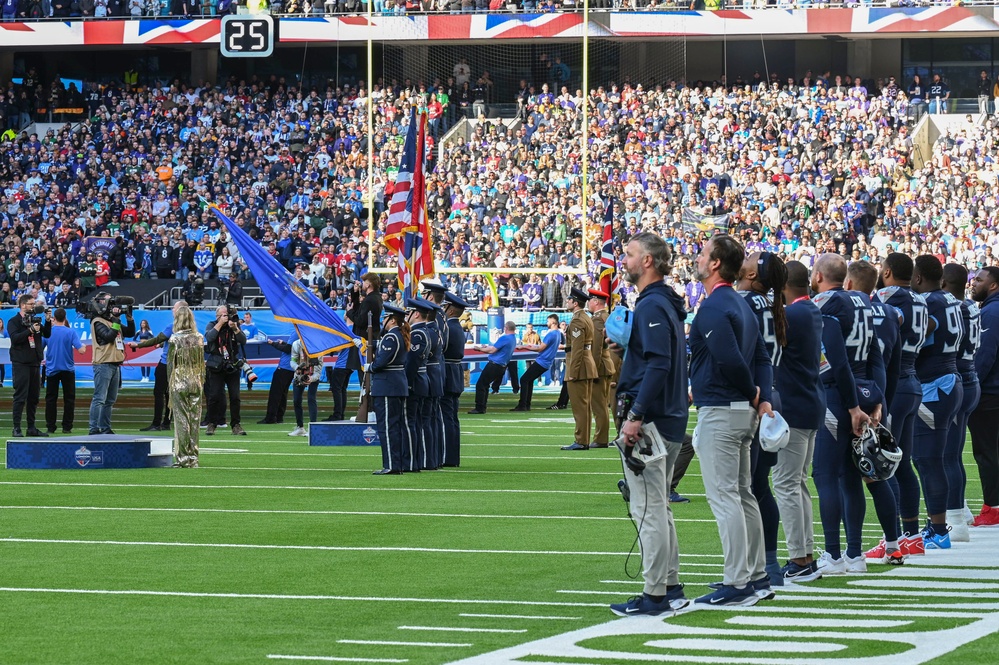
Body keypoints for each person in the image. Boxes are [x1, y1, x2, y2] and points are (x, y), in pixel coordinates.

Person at [607, 233, 691, 617]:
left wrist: (636, 414)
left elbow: (658, 363)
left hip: (654, 419)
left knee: (647, 508)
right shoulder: (665, 303)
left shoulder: (653, 304)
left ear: (649, 262)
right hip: (668, 414)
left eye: (629, 255)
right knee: (658, 506)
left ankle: (655, 592)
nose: (623, 260)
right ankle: (670, 584)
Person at [688, 235, 773, 607]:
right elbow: (762, 357)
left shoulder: (713, 307)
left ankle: (738, 581)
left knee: (725, 497)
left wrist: (753, 392)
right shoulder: (742, 307)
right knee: (743, 494)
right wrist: (761, 396)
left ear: (717, 263)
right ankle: (755, 576)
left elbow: (729, 358)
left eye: (703, 253)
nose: (698, 258)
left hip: (722, 408)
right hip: (742, 410)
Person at [811, 253, 883, 574]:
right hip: (864, 392)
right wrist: (875, 401)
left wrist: (853, 405)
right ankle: (855, 554)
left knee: (825, 474)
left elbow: (837, 361)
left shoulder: (826, 304)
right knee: (851, 476)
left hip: (838, 397)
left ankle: (834, 555)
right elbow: (876, 357)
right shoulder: (865, 303)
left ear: (818, 276)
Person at [844, 260, 905, 565]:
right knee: (876, 474)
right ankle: (894, 545)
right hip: (876, 397)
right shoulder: (891, 313)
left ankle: (851, 552)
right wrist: (881, 404)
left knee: (844, 477)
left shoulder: (840, 308)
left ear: (849, 283)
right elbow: (886, 366)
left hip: (846, 398)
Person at [736, 250, 789, 585]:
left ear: (754, 275)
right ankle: (768, 564)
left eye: (751, 259)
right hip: (773, 395)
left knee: (742, 488)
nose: (745, 257)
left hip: (750, 398)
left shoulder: (741, 302)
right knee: (760, 486)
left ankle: (749, 570)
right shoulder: (772, 306)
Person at [773, 261, 824, 582]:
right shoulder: (812, 310)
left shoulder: (793, 314)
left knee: (786, 484)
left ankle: (800, 559)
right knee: (797, 483)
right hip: (810, 402)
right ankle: (804, 554)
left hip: (793, 405)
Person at [875, 252, 929, 554]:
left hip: (896, 382)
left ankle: (893, 538)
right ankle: (910, 535)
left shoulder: (891, 299)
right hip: (913, 380)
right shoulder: (919, 299)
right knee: (902, 463)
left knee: (888, 465)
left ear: (887, 272)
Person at [911, 255, 965, 549]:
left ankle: (939, 530)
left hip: (935, 385)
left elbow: (919, 335)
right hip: (950, 379)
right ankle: (939, 525)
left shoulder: (929, 303)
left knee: (928, 460)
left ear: (918, 278)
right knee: (936, 459)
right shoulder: (949, 300)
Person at [942, 262, 980, 542]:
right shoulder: (969, 307)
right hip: (969, 377)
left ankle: (955, 517)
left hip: (955, 379)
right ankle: (962, 509)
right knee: (952, 454)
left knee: (945, 456)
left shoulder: (950, 307)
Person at [970, 266, 999, 526]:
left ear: (993, 286)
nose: (973, 283)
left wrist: (973, 385)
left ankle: (993, 506)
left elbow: (985, 355)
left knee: (986, 451)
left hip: (990, 393)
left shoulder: (991, 311)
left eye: (979, 279)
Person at [130, 301, 186, 432]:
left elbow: (157, 339)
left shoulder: (172, 326)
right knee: (171, 394)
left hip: (166, 364)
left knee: (159, 393)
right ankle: (166, 422)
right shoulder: (188, 328)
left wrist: (138, 345)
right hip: (179, 365)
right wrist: (162, 344)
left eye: (174, 308)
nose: (172, 310)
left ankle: (156, 423)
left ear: (179, 311)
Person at [88, 292, 136, 436]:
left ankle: (105, 427)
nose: (112, 305)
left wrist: (129, 318)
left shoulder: (112, 321)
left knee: (110, 400)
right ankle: (94, 428)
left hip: (115, 364)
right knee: (99, 398)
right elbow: (108, 337)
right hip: (103, 363)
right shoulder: (97, 321)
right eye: (109, 301)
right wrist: (116, 320)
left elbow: (130, 332)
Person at [371, 302, 410, 475]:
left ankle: (392, 465)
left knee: (387, 427)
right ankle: (396, 463)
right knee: (394, 426)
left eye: (385, 317)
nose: (383, 320)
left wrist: (369, 367)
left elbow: (381, 363)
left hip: (388, 386)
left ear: (392, 320)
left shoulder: (391, 337)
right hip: (395, 384)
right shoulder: (398, 336)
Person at [561, 287, 598, 451]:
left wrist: (573, 372)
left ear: (575, 303)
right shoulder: (587, 317)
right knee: (585, 405)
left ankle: (581, 440)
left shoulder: (577, 320)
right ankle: (584, 439)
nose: (567, 301)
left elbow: (576, 349)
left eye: (569, 299)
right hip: (586, 362)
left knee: (580, 406)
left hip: (579, 366)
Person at [9, 294, 52, 437]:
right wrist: (30, 330)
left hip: (35, 362)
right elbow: (15, 339)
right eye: (31, 304)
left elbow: (47, 334)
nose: (34, 306)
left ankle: (31, 427)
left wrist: (47, 321)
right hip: (21, 363)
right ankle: (16, 428)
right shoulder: (14, 321)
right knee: (20, 396)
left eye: (34, 304)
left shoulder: (35, 319)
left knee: (33, 397)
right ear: (23, 305)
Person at [167, 304, 204, 468]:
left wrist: (170, 384)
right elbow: (201, 363)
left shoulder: (174, 339)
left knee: (181, 420)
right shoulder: (199, 338)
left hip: (179, 381)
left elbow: (170, 365)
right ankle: (193, 457)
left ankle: (183, 458)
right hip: (196, 382)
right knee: (195, 420)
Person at [204, 304, 247, 436]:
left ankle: (236, 425)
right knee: (214, 396)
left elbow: (243, 340)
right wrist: (220, 323)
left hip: (232, 364)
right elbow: (209, 337)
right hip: (216, 365)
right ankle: (212, 423)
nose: (226, 317)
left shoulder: (233, 325)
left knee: (235, 397)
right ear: (218, 316)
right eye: (223, 315)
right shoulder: (212, 324)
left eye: (227, 314)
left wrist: (235, 329)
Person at [421, 280, 449, 467]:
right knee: (433, 417)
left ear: (430, 297)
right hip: (437, 368)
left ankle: (430, 459)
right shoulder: (442, 315)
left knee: (429, 418)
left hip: (431, 369)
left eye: (425, 295)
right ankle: (435, 458)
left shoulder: (434, 316)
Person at [404, 297, 434, 471]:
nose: (407, 315)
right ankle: (417, 460)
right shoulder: (423, 331)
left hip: (416, 381)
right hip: (421, 380)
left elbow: (412, 361)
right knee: (415, 423)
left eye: (409, 313)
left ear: (416, 314)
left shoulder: (417, 333)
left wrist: (406, 383)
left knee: (411, 423)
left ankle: (414, 461)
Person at [44, 307, 84, 434]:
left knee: (50, 399)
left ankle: (50, 426)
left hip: (52, 369)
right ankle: (67, 426)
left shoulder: (48, 332)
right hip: (67, 369)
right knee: (69, 399)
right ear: (65, 318)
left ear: (54, 318)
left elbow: (39, 348)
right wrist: (84, 346)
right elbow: (81, 350)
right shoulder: (70, 332)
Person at [441, 291, 469, 467]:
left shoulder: (447, 328)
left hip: (447, 373)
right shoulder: (457, 327)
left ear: (450, 310)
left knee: (446, 418)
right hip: (455, 373)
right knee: (452, 418)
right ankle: (452, 457)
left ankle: (447, 457)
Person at [512, 314, 561, 412]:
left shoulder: (551, 334)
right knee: (528, 380)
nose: (547, 323)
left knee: (524, 380)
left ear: (552, 322)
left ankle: (523, 405)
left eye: (548, 321)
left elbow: (540, 348)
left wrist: (524, 347)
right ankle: (526, 405)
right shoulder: (558, 333)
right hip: (546, 362)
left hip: (542, 361)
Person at [587, 289, 616, 448]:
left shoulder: (598, 320)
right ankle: (601, 436)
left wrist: (594, 369)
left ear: (596, 302)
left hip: (600, 367)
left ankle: (600, 438)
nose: (589, 303)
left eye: (590, 300)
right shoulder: (606, 317)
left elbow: (596, 347)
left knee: (599, 405)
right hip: (606, 365)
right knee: (602, 404)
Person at [468, 321, 518, 415]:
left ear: (505, 328)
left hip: (495, 364)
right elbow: (496, 347)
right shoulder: (513, 339)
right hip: (502, 365)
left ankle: (479, 407)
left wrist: (479, 349)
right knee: (485, 385)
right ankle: (482, 407)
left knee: (480, 385)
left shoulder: (505, 338)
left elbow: (492, 350)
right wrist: (486, 347)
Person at [289, 335, 322, 437]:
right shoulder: (296, 344)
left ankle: (313, 428)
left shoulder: (318, 347)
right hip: (299, 375)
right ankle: (300, 427)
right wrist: (297, 368)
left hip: (313, 375)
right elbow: (292, 360)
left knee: (311, 399)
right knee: (296, 400)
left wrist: (311, 379)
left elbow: (319, 369)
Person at [259, 337, 294, 424]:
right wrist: (284, 343)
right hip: (291, 368)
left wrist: (273, 344)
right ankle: (279, 416)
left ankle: (271, 417)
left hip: (284, 366)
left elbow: (288, 349)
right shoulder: (301, 333)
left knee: (275, 393)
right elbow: (293, 347)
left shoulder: (295, 333)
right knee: (283, 393)